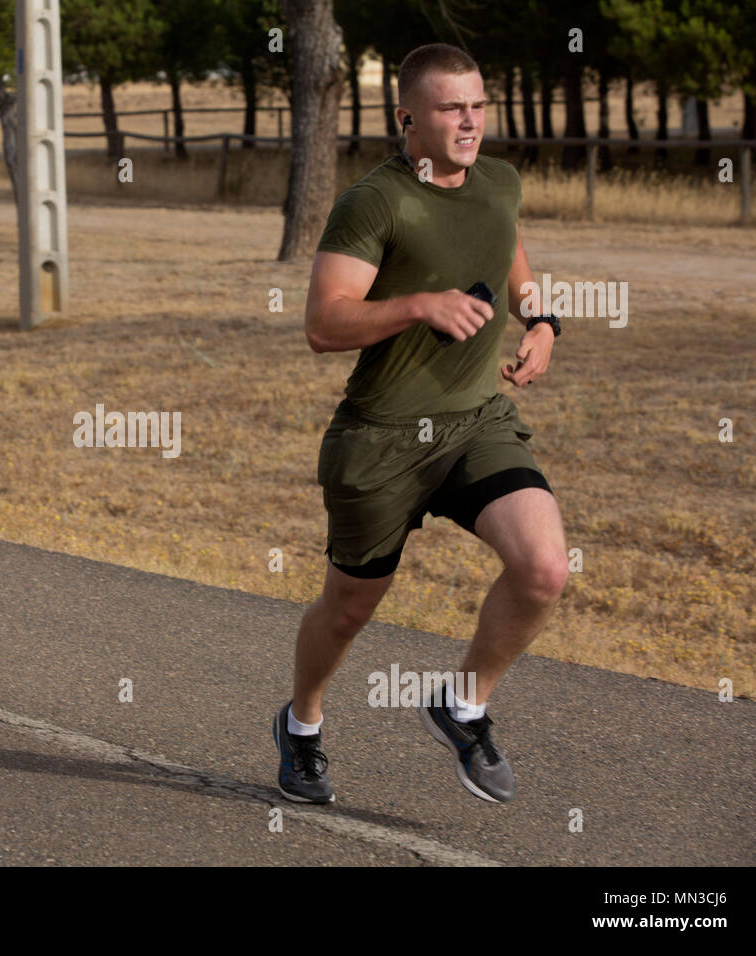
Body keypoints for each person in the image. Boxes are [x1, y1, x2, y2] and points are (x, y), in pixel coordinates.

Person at [273, 43, 567, 804]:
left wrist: (540, 321)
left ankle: (462, 704)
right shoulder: (376, 202)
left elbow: (509, 251)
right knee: (346, 611)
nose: (469, 121)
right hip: (381, 441)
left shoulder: (499, 181)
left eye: (476, 105)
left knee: (544, 570)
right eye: (450, 108)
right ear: (408, 117)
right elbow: (322, 324)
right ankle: (301, 725)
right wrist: (419, 304)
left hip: (475, 422)